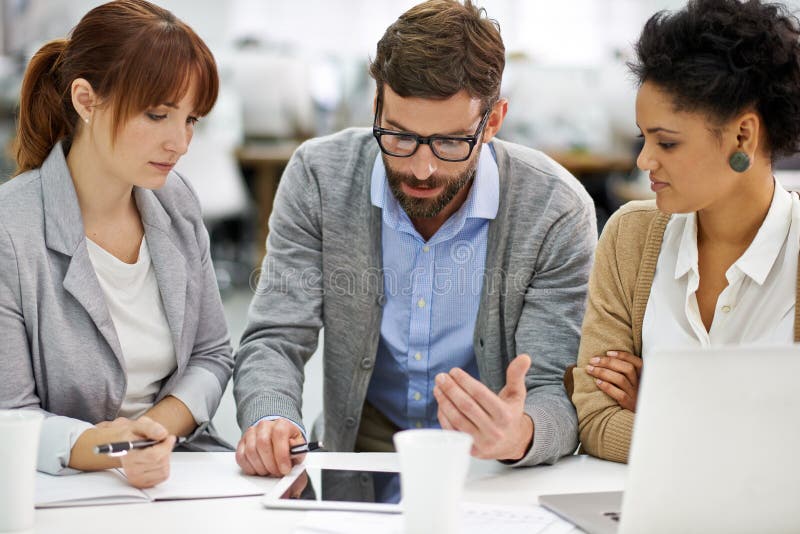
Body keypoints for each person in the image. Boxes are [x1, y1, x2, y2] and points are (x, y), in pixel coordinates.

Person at [234, 0, 597, 497]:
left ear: (493, 122)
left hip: (491, 464)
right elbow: (276, 336)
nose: (422, 170)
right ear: (376, 107)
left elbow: (555, 390)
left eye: (450, 143)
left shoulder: (555, 208)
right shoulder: (319, 177)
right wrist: (271, 419)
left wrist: (521, 432)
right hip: (361, 448)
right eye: (400, 137)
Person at [0, 0, 234, 488]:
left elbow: (212, 354)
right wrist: (113, 449)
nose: (180, 143)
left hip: (176, 469)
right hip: (60, 486)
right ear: (86, 101)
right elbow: (10, 415)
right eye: (157, 114)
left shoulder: (176, 202)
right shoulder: (12, 229)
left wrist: (152, 435)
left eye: (191, 119)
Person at [571, 0, 800, 463]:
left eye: (667, 142)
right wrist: (749, 435)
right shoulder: (630, 237)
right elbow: (595, 420)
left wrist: (661, 410)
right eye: (643, 138)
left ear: (743, 136)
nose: (644, 160)